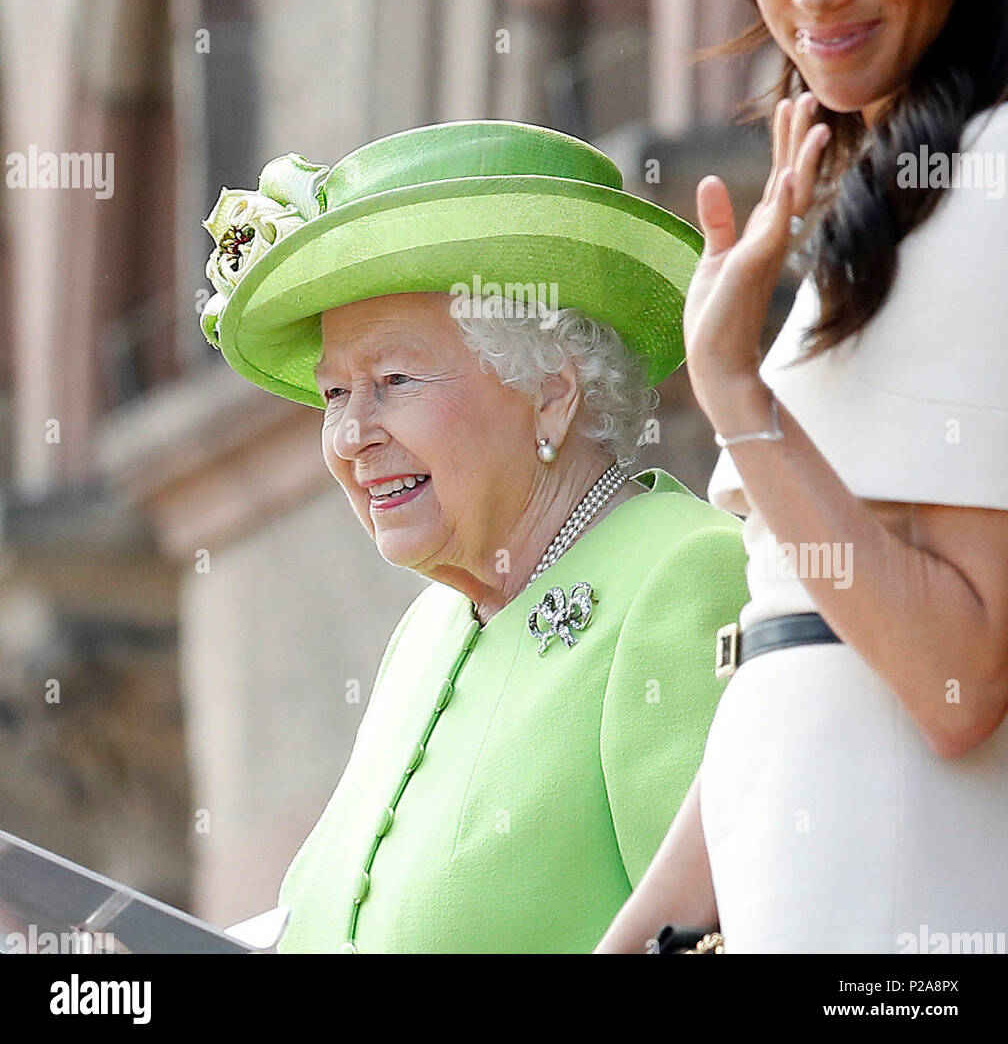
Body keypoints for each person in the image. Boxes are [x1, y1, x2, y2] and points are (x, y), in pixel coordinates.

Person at [597, 0, 1008, 954]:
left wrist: (736, 394)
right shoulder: (883, 211)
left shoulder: (988, 182)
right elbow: (794, 643)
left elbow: (958, 679)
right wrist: (641, 936)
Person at [199, 119, 749, 953]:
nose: (351, 436)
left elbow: (729, 936)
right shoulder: (426, 635)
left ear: (551, 392)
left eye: (392, 381)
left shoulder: (687, 573)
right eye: (335, 395)